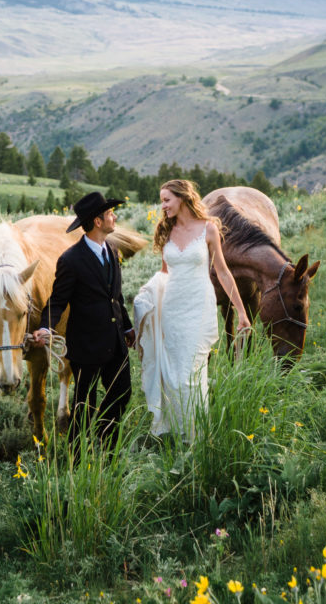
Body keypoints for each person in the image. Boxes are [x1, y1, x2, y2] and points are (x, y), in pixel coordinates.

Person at [134, 179, 251, 441]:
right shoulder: (166, 231)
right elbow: (164, 274)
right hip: (171, 308)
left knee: (192, 371)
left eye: (167, 199)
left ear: (183, 197)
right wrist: (147, 297)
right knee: (173, 374)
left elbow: (222, 272)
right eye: (161, 200)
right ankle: (178, 432)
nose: (163, 205)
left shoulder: (209, 229)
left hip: (198, 305)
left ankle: (198, 435)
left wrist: (241, 312)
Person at [32, 191, 136, 450]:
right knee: (84, 405)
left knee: (122, 394)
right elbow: (57, 301)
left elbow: (116, 296)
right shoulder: (71, 259)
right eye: (110, 213)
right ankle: (76, 456)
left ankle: (106, 443)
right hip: (86, 346)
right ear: (97, 222)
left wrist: (127, 326)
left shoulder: (111, 250)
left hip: (115, 341)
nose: (115, 216)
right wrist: (46, 327)